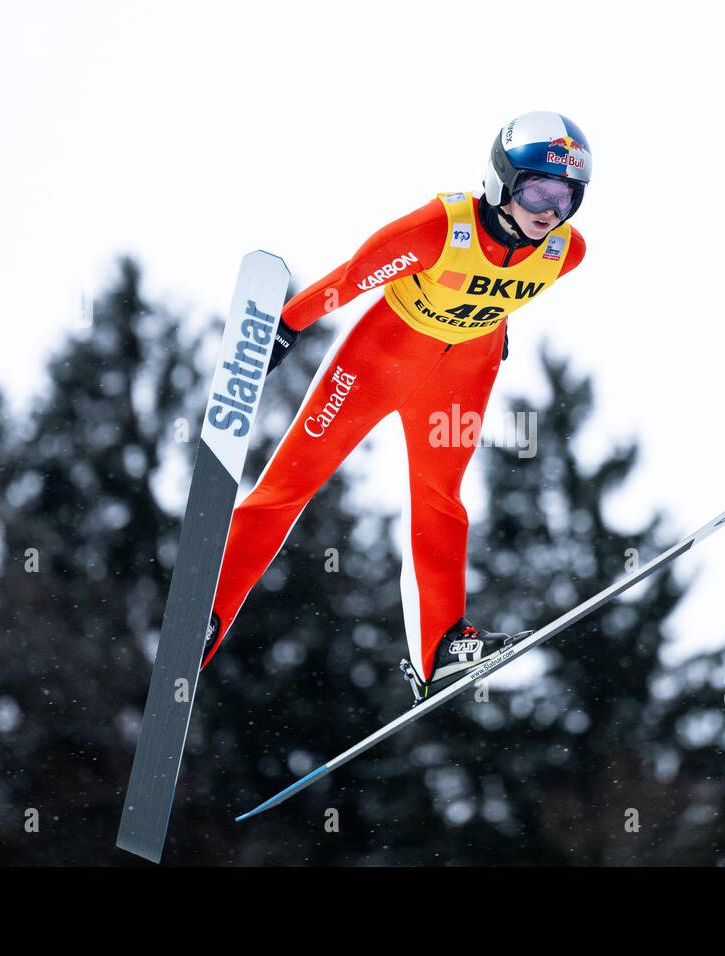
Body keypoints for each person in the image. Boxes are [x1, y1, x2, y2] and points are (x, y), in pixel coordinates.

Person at [202, 110, 592, 703]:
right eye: (538, 189)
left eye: (566, 197)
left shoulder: (566, 251)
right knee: (290, 484)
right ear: (502, 181)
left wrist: (497, 326)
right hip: (381, 359)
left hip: (461, 372)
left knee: (441, 501)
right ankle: (211, 608)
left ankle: (440, 649)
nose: (550, 211)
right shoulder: (440, 226)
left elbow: (504, 285)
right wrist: (283, 326)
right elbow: (355, 275)